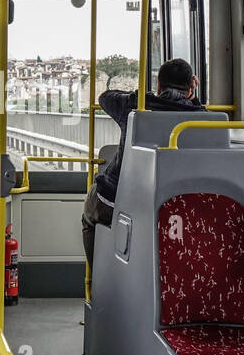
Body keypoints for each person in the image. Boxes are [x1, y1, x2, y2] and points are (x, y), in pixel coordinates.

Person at [81, 58, 203, 269]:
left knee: (90, 214)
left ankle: (97, 278)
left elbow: (105, 98)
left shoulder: (136, 109)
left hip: (118, 200)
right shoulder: (204, 118)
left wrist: (139, 97)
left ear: (158, 84)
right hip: (177, 206)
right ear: (192, 85)